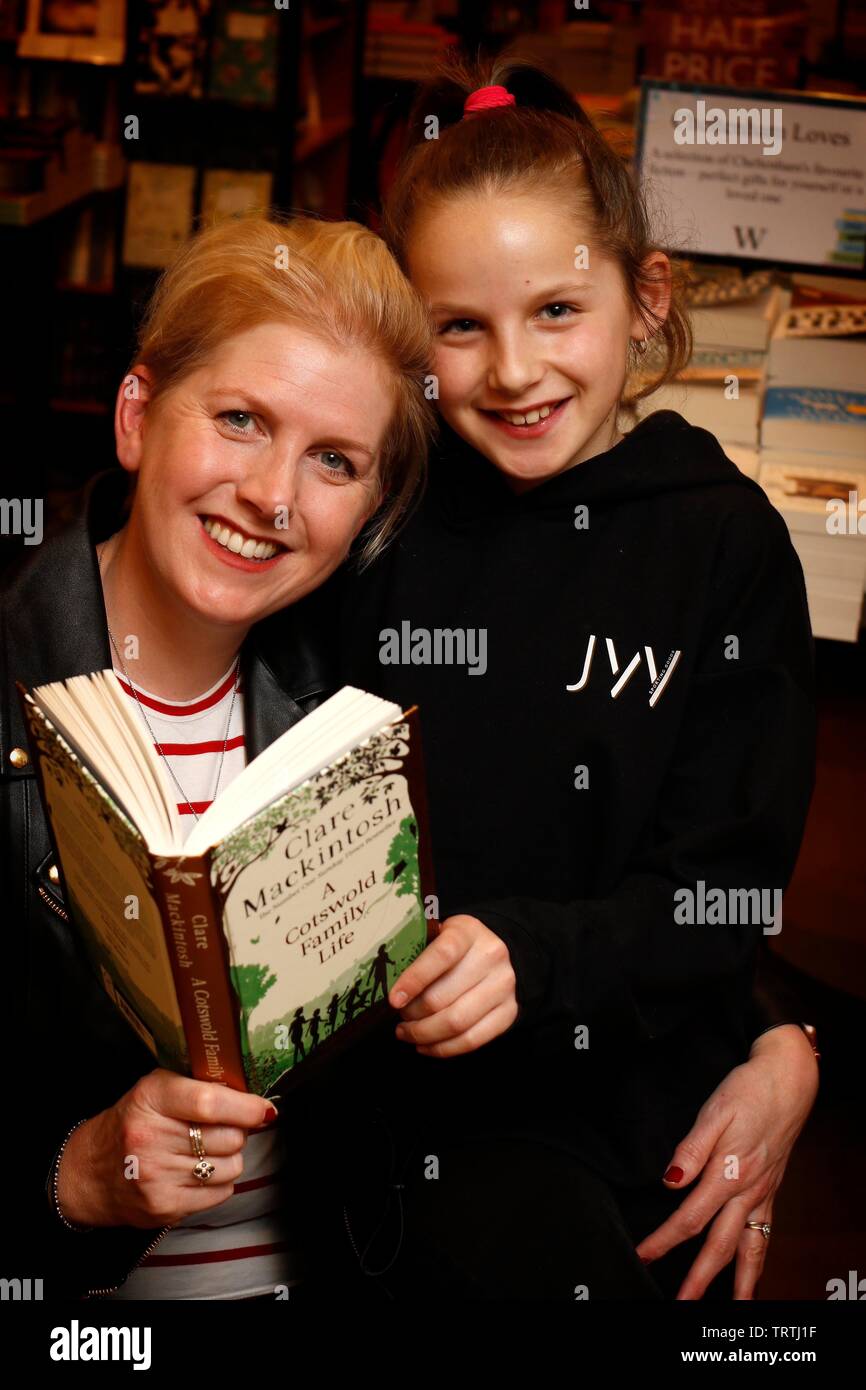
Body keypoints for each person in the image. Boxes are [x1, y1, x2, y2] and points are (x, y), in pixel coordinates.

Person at [309, 53, 821, 1301]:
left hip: (623, 1104)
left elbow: (722, 888)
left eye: (555, 311)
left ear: (645, 297)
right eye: (460, 327)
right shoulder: (382, 507)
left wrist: (544, 959)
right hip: (389, 1092)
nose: (514, 372)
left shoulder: (720, 543)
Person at [0, 212, 433, 1300]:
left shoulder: (355, 714)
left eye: (333, 460)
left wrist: (769, 1038)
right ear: (137, 414)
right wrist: (69, 1180)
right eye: (239, 420)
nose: (272, 497)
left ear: (369, 507)